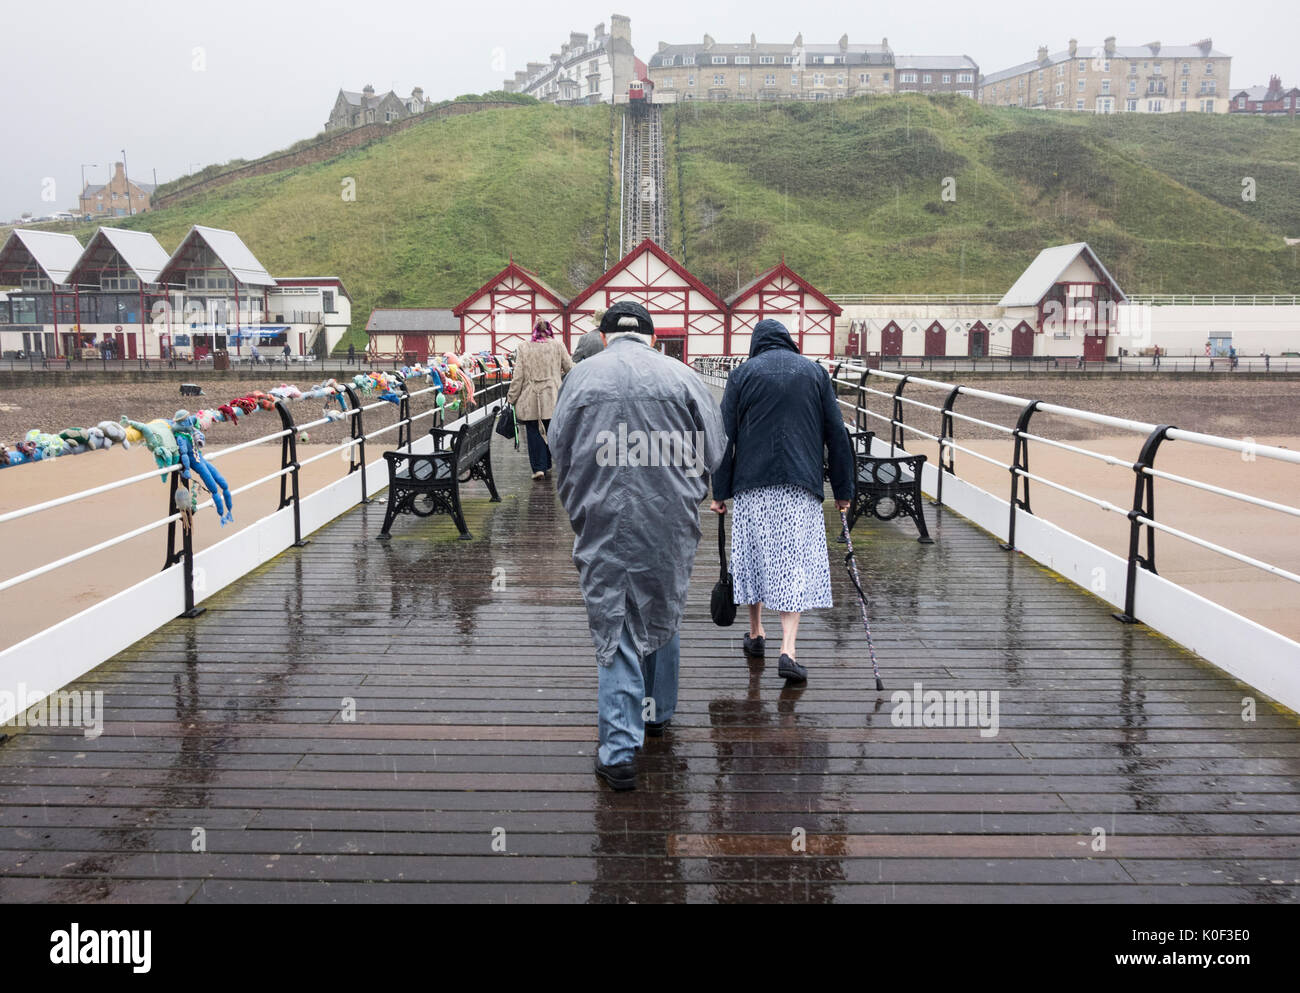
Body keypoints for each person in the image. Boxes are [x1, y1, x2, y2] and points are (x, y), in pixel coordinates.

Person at [550, 301, 726, 791]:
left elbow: (557, 451)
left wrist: (579, 503)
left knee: (616, 618)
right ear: (652, 336)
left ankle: (620, 751)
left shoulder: (581, 379)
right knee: (663, 607)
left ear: (604, 337)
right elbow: (715, 450)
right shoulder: (684, 377)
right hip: (669, 517)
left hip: (602, 515)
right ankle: (658, 711)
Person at [710, 319, 854, 683]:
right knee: (792, 562)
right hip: (800, 485)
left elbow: (724, 435)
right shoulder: (815, 372)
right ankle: (787, 650)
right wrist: (843, 491)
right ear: (789, 342)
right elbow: (836, 433)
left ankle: (756, 634)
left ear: (756, 344)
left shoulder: (742, 375)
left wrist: (719, 491)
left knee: (754, 556)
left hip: (750, 485)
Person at [507, 319, 573, 479]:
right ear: (549, 330)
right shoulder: (558, 346)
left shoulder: (524, 347)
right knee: (551, 430)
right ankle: (549, 463)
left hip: (530, 396)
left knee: (533, 431)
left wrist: (512, 397)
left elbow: (519, 375)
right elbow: (570, 368)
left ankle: (539, 468)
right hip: (553, 396)